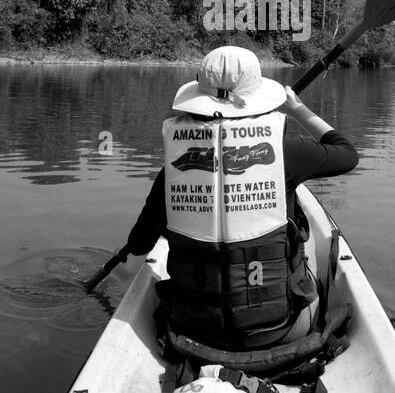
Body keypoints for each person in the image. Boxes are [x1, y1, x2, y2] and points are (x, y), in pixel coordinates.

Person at [124, 46, 358, 361]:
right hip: (281, 330)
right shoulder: (287, 152)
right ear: (258, 94)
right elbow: (346, 152)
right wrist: (299, 110)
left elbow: (139, 246)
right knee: (304, 217)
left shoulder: (175, 164)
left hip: (192, 329)